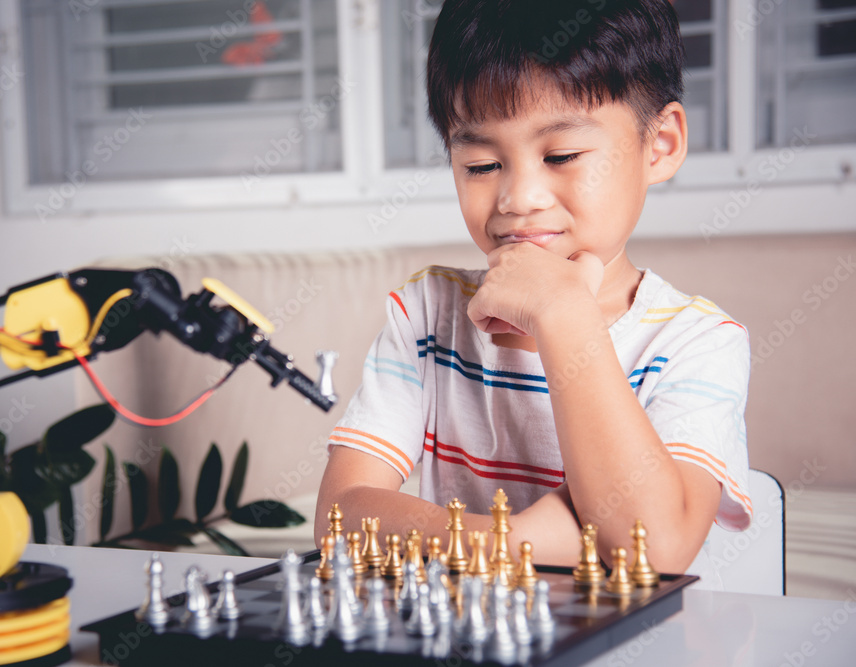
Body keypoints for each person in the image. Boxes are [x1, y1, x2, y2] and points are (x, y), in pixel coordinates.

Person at [315, 0, 750, 586]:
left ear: (661, 143)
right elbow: (340, 519)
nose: (519, 198)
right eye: (481, 163)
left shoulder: (699, 341)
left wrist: (563, 313)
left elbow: (657, 544)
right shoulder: (426, 314)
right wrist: (517, 539)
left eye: (561, 156)